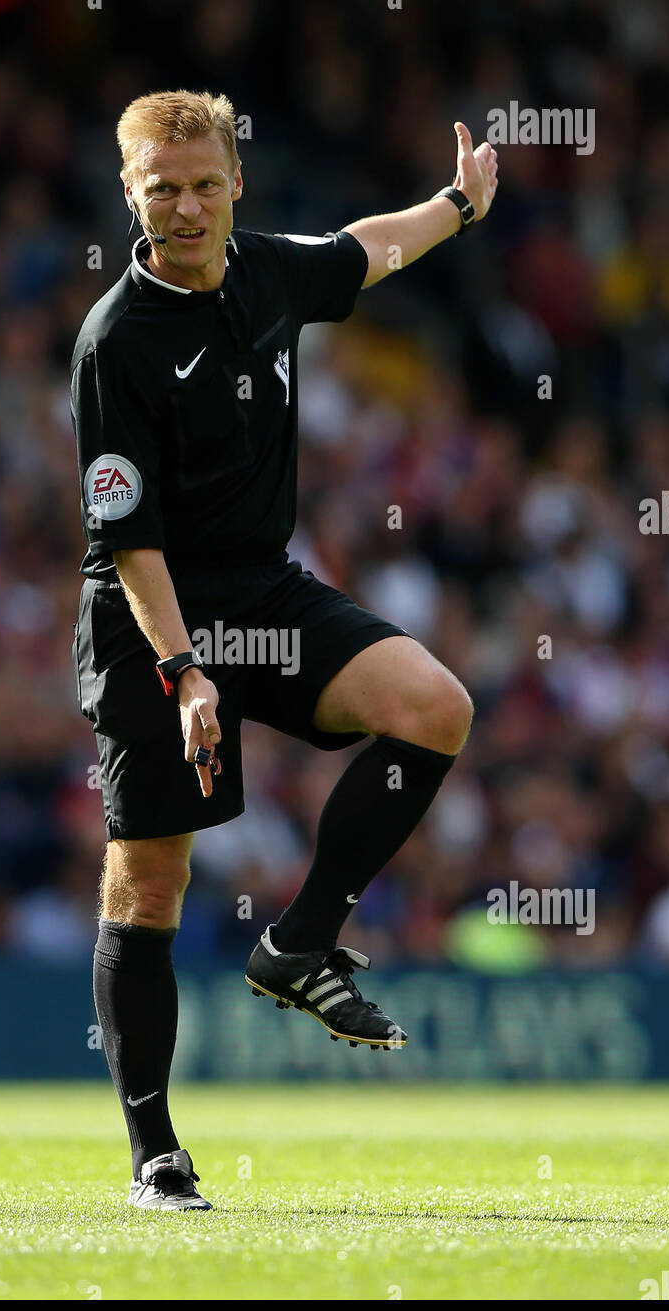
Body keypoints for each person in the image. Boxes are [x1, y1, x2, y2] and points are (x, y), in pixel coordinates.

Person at [71, 90, 497, 1210]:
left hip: (264, 587)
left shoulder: (268, 270)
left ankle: (300, 942)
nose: (188, 204)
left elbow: (365, 248)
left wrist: (457, 204)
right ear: (130, 192)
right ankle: (154, 1149)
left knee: (435, 705)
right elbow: (130, 537)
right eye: (162, 185)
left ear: (237, 183)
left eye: (206, 182)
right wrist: (180, 669)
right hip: (149, 615)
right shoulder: (115, 341)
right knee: (150, 877)